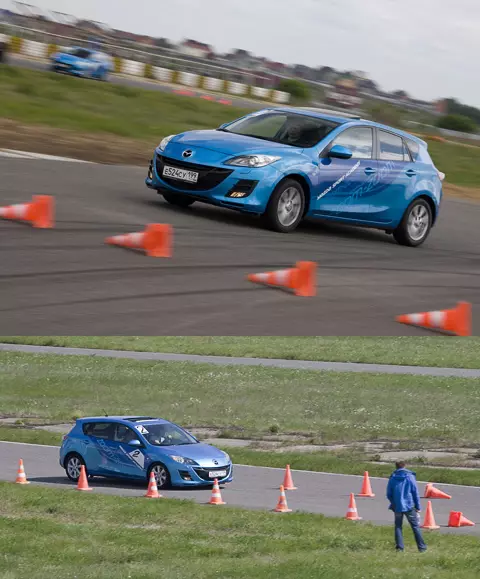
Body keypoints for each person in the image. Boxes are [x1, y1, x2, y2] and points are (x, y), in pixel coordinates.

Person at [386, 461, 427, 553]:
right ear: (405, 466)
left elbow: (389, 493)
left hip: (397, 506)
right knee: (415, 526)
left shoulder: (392, 477)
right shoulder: (410, 477)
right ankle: (422, 547)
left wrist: (393, 502)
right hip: (409, 505)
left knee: (398, 526)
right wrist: (418, 506)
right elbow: (415, 492)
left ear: (396, 467)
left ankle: (400, 548)